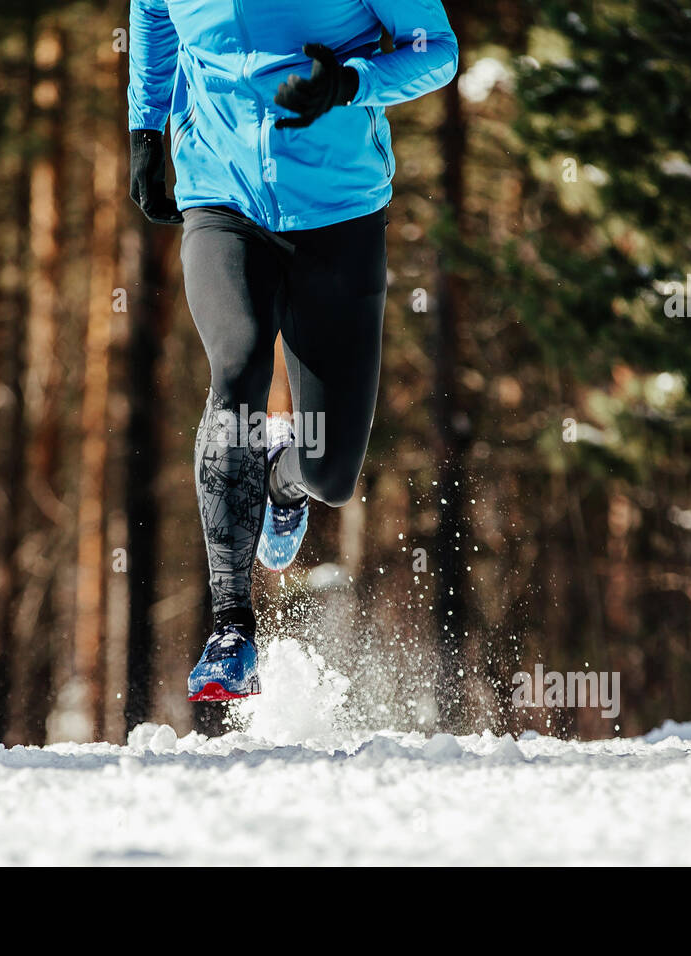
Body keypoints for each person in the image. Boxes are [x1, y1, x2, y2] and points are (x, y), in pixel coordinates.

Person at [127, 0, 458, 701]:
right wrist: (145, 124)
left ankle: (283, 480)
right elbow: (151, 14)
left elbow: (437, 50)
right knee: (239, 363)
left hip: (338, 212)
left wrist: (350, 83)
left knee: (332, 474)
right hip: (221, 200)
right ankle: (230, 631)